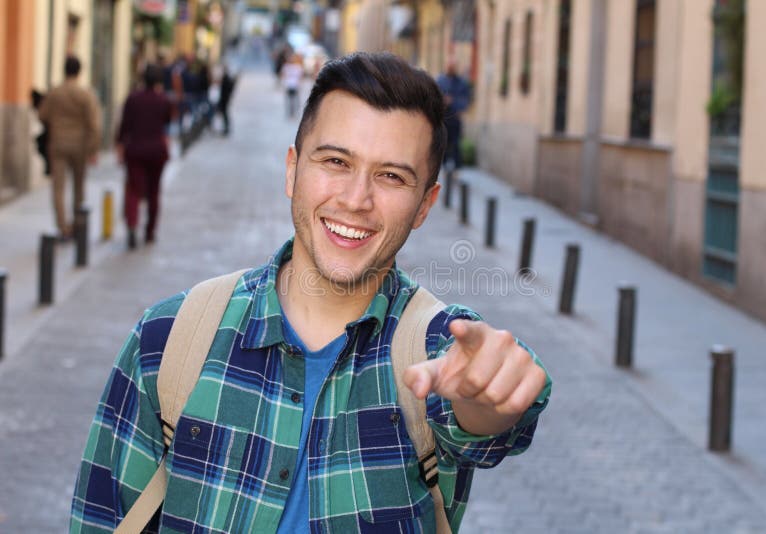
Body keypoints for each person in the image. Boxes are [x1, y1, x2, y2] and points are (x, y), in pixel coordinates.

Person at [70, 52, 551, 533]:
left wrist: (488, 401)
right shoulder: (169, 341)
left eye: (391, 176)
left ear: (425, 204)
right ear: (291, 171)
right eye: (336, 161)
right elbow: (100, 520)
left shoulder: (435, 349)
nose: (355, 199)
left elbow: (481, 419)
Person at [38, 56, 100, 241]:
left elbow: (42, 114)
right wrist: (93, 149)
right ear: (79, 72)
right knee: (79, 187)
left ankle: (62, 226)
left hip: (58, 144)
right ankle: (77, 225)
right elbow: (94, 124)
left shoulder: (55, 93)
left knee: (58, 187)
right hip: (79, 146)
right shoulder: (85, 94)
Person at [116, 64, 172, 249]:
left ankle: (132, 226)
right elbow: (167, 123)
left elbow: (124, 126)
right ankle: (149, 232)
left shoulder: (133, 99)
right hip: (157, 152)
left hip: (136, 150)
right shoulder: (163, 100)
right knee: (154, 192)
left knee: (133, 189)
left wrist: (120, 146)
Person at [436, 59, 472, 171]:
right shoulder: (440, 81)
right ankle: (442, 169)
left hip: (455, 120)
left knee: (456, 146)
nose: (450, 69)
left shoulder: (461, 83)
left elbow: (465, 101)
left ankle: (456, 171)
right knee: (442, 145)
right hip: (442, 120)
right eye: (449, 66)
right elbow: (433, 98)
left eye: (452, 66)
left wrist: (453, 102)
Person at [215, 65, 237, 136]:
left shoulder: (226, 78)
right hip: (225, 98)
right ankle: (226, 128)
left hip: (224, 99)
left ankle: (226, 128)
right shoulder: (227, 78)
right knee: (224, 114)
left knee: (225, 114)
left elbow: (225, 90)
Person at [280, 53, 304, 118]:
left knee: (291, 100)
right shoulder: (297, 67)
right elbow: (300, 77)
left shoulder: (287, 67)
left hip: (291, 85)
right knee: (293, 100)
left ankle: (292, 112)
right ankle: (292, 112)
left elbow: (283, 75)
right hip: (292, 85)